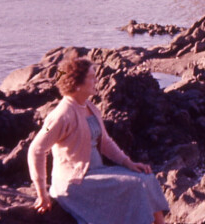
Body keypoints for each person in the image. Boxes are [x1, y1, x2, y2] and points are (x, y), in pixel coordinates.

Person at [28, 56, 169, 224]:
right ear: (77, 84)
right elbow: (36, 150)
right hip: (76, 182)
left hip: (97, 171)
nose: (97, 80)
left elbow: (106, 143)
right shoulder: (61, 115)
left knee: (147, 178)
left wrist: (128, 163)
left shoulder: (90, 107)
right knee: (136, 184)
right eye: (92, 77)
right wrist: (42, 193)